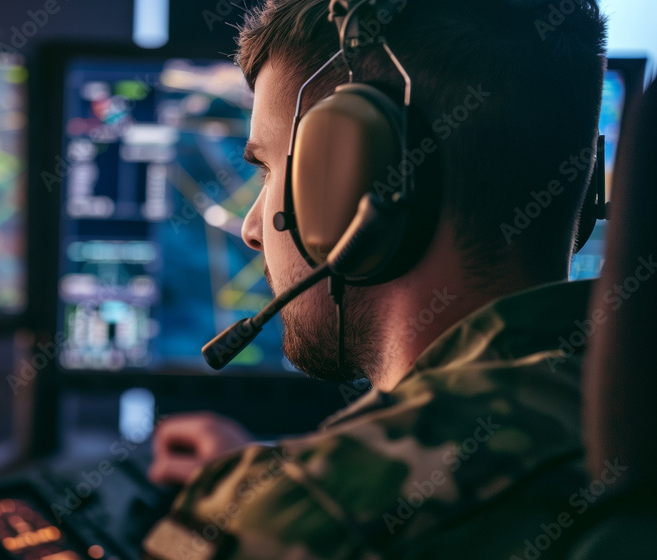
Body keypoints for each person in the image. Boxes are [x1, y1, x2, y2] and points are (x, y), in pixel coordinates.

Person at [143, 0, 609, 558]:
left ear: (362, 187)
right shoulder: (620, 410)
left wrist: (272, 497)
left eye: (267, 169)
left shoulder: (299, 517)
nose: (250, 228)